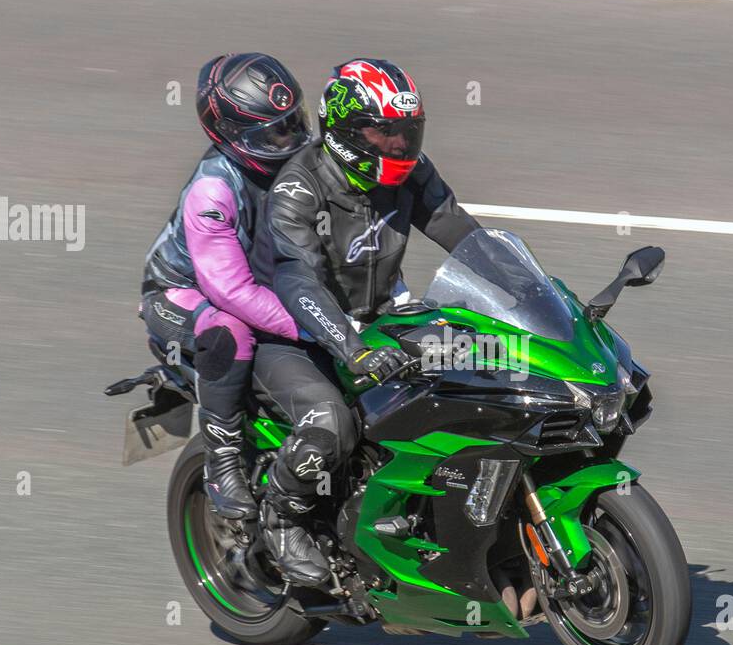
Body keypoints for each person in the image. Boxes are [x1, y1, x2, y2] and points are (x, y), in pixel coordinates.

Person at [257, 58, 482, 586]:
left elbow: (462, 232)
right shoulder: (300, 188)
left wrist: (531, 288)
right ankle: (282, 517)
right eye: (384, 132)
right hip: (294, 335)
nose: (400, 146)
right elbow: (298, 282)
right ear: (344, 130)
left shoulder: (412, 172)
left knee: (480, 371)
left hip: (380, 319)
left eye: (408, 132)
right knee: (332, 423)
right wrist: (351, 347)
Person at [142, 53, 314, 521]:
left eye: (294, 121)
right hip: (183, 294)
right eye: (273, 133)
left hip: (266, 282)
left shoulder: (306, 161)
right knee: (229, 329)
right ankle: (222, 461)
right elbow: (230, 291)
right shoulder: (213, 191)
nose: (291, 139)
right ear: (233, 138)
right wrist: (318, 327)